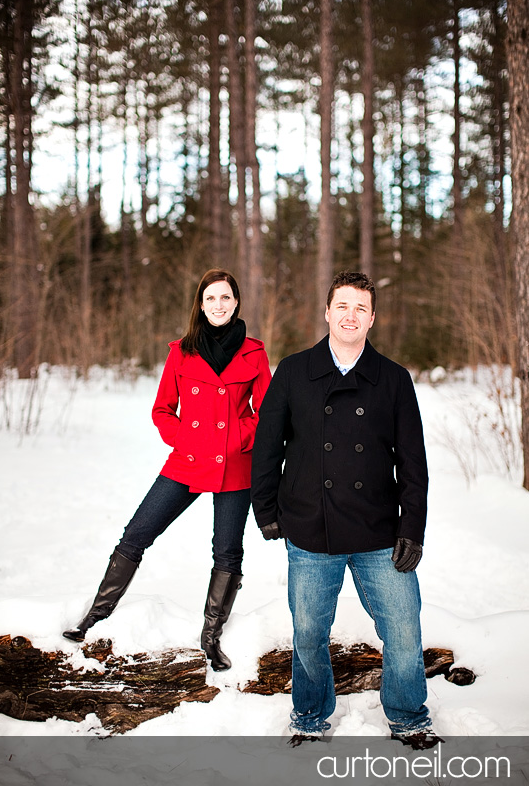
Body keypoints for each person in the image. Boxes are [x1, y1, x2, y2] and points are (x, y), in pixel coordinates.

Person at [251, 270, 442, 750]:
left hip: (380, 531)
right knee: (309, 631)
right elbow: (267, 445)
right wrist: (266, 508)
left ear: (372, 318)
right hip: (311, 530)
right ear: (327, 312)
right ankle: (310, 715)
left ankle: (407, 714)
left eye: (361, 308)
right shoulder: (294, 371)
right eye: (343, 306)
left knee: (402, 629)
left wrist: (412, 529)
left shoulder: (394, 379)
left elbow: (413, 464)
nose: (351, 315)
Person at [63, 268, 272, 672]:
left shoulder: (254, 353)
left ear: (236, 302)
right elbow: (162, 411)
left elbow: (264, 414)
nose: (218, 305)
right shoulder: (180, 351)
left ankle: (211, 638)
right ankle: (96, 615)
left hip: (234, 463)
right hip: (188, 460)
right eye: (210, 298)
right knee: (137, 532)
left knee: (227, 549)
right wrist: (190, 441)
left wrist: (231, 440)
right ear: (201, 303)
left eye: (225, 298)